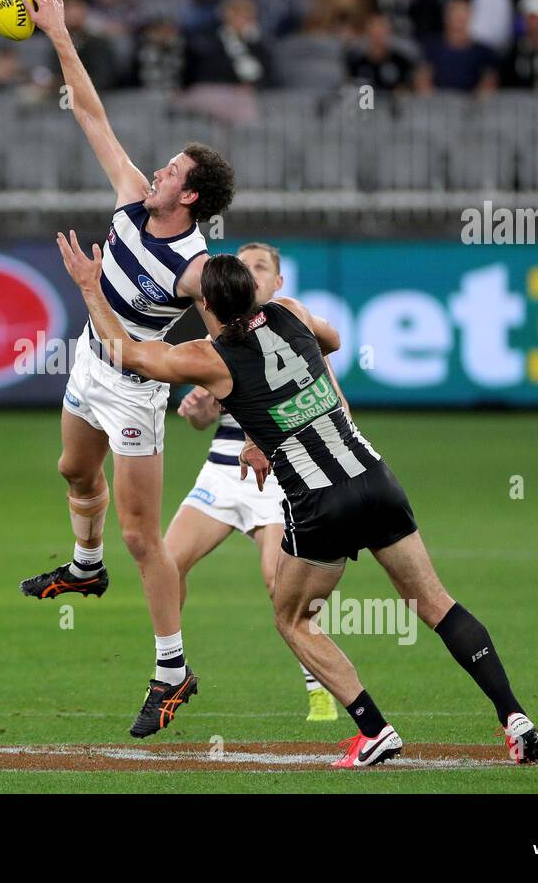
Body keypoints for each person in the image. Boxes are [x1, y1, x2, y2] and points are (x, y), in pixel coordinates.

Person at [55, 239, 538, 767]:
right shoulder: (290, 312)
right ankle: (514, 716)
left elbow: (128, 353)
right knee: (436, 604)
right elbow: (330, 339)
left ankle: (374, 730)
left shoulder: (210, 357)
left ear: (209, 307)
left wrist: (90, 287)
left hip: (321, 502)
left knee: (293, 621)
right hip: (376, 478)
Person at [15, 0, 235, 739]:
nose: (158, 172)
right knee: (72, 473)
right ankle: (84, 566)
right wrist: (60, 35)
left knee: (145, 538)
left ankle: (173, 672)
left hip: (138, 390)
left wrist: (218, 400)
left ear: (191, 195)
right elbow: (90, 114)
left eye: (172, 170)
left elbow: (225, 342)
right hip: (89, 364)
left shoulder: (193, 267)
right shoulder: (131, 197)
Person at [167, 243, 338, 722]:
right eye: (244, 267)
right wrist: (200, 412)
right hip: (224, 470)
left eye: (261, 267)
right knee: (166, 561)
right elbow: (202, 417)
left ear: (277, 283)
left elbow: (324, 383)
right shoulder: (219, 345)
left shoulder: (288, 327)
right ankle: (172, 668)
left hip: (278, 475)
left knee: (278, 582)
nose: (251, 273)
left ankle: (318, 683)